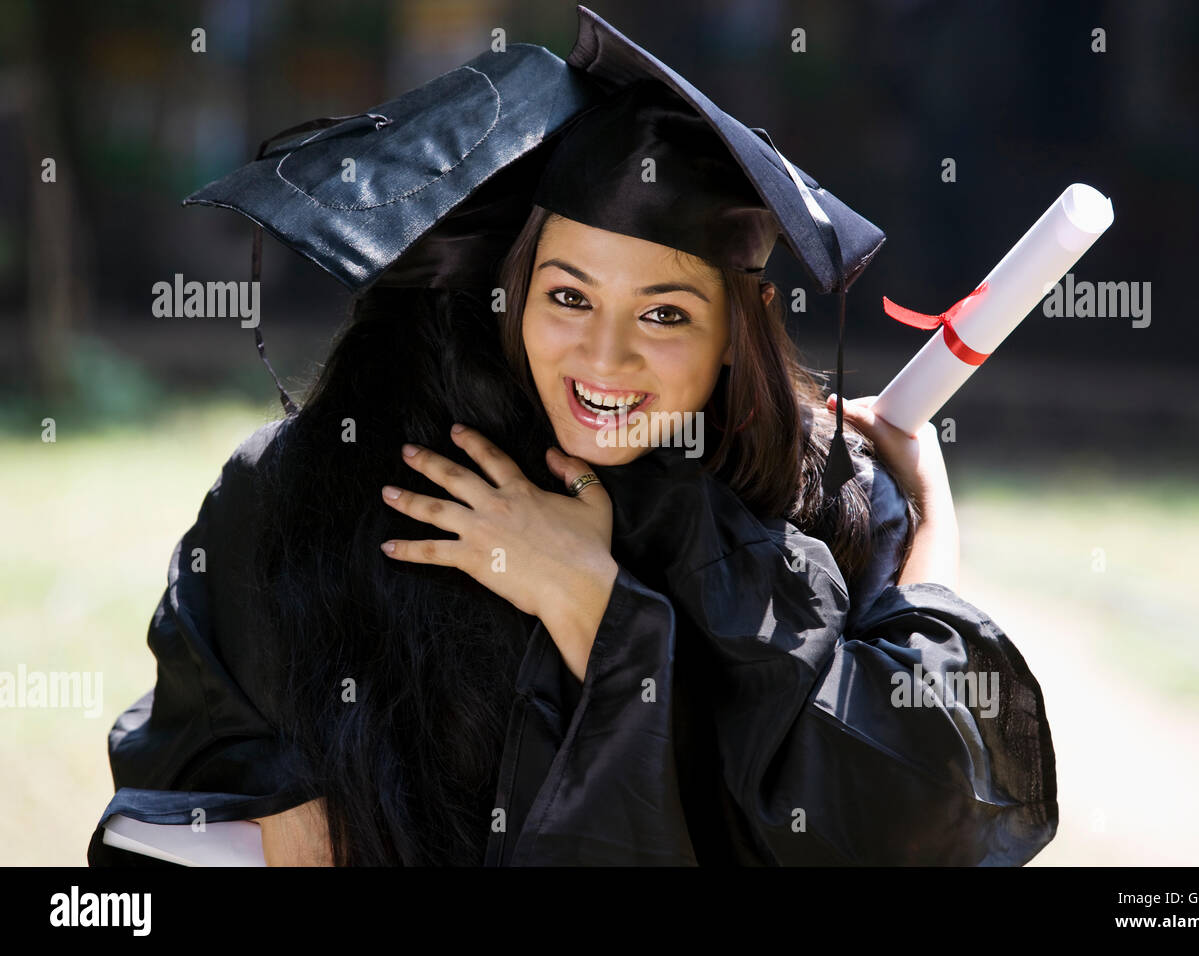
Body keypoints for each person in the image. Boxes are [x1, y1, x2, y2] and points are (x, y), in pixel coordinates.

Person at [88, 6, 1056, 867]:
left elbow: (918, 811)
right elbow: (170, 821)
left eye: (666, 314)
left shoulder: (797, 518)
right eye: (567, 296)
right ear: (513, 286)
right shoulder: (329, 488)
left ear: (737, 327)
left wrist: (599, 606)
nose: (606, 357)